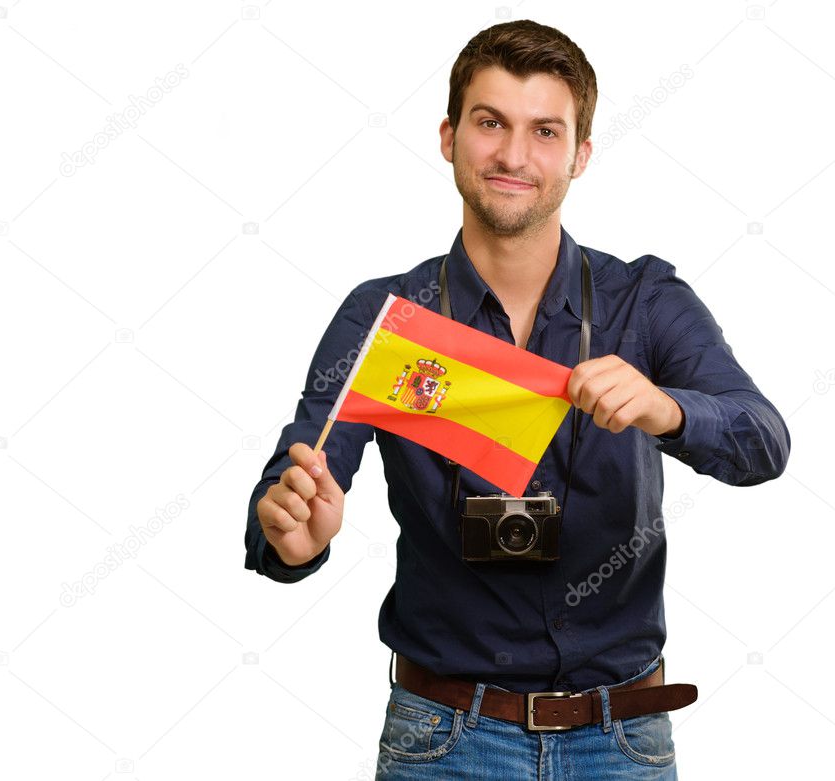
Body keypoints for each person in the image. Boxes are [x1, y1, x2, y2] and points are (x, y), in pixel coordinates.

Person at [244, 19, 790, 780]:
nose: (512, 155)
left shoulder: (646, 301)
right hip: (442, 737)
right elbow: (292, 485)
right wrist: (292, 532)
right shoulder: (388, 318)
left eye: (544, 131)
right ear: (449, 136)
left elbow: (765, 442)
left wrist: (667, 408)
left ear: (580, 155)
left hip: (622, 738)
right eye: (490, 122)